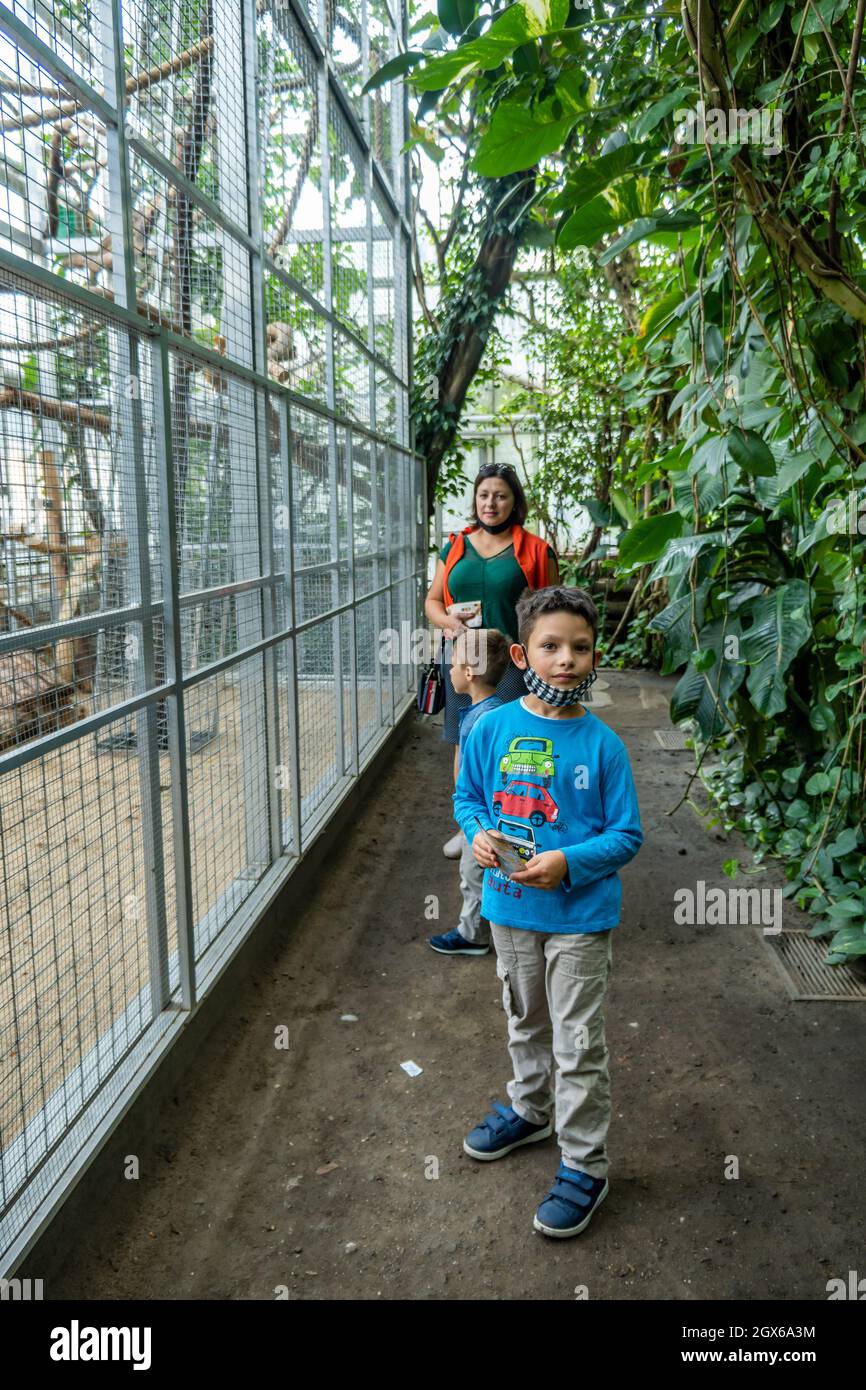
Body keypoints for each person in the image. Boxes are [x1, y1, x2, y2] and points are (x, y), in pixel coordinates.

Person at [451, 585, 643, 1238]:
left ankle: (586, 1165)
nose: (566, 660)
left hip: (581, 920)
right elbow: (467, 797)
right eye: (551, 646)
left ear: (594, 657)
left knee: (577, 1041)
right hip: (509, 913)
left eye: (580, 648)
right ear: (521, 654)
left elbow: (626, 836)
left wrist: (568, 863)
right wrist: (476, 832)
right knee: (523, 1019)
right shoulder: (492, 727)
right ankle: (531, 1111)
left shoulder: (604, 746)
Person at [423, 463, 559, 861]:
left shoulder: (535, 549)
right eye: (484, 495)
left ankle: (512, 827)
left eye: (500, 495)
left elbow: (551, 611)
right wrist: (449, 621)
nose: (490, 502)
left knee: (508, 743)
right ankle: (471, 831)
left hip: (511, 662)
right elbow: (432, 601)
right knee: (465, 739)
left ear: (514, 501)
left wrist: (544, 659)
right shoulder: (454, 545)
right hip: (463, 661)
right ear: (475, 500)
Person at [427, 628, 511, 957]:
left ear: (469, 673)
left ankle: (474, 934)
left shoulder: (485, 719)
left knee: (473, 874)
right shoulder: (491, 710)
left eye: (453, 664)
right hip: (477, 813)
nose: (448, 671)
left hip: (482, 817)